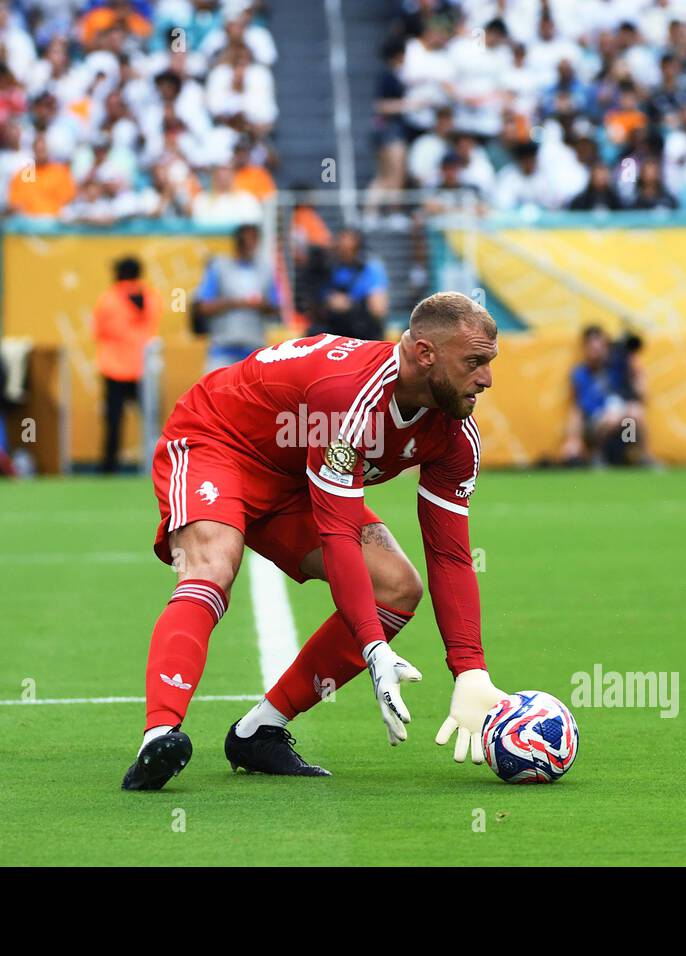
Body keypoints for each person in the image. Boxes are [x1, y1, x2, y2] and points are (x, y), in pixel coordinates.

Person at [121, 292, 505, 790]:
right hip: (219, 441)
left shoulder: (455, 434)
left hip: (296, 476)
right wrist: (372, 646)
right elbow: (338, 533)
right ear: (425, 354)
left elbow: (450, 554)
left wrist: (470, 669)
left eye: (490, 363)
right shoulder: (351, 396)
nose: (487, 379)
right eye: (474, 362)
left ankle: (260, 732)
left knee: (396, 587)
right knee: (213, 566)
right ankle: (159, 736)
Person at [93, 257, 161, 473]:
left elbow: (98, 332)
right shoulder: (151, 297)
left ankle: (109, 468)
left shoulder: (108, 299)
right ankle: (160, 465)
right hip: (144, 368)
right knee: (151, 421)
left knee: (113, 422)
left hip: (114, 367)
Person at [192, 223, 280, 372]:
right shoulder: (219, 267)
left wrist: (260, 305)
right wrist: (235, 302)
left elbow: (275, 307)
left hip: (254, 349)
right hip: (222, 349)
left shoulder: (266, 270)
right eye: (246, 240)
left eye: (254, 239)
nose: (250, 244)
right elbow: (203, 306)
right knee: (216, 393)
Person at [561, 325, 647, 466]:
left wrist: (634, 367)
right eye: (593, 347)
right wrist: (573, 438)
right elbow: (575, 408)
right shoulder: (580, 374)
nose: (597, 351)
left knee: (634, 413)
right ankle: (597, 455)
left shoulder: (616, 369)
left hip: (619, 423)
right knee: (611, 418)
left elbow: (641, 396)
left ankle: (636, 454)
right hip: (593, 425)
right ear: (585, 348)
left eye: (601, 346)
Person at [311, 229, 389, 341]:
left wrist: (350, 305)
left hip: (362, 328)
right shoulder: (328, 267)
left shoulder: (371, 268)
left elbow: (378, 308)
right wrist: (328, 301)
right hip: (334, 327)